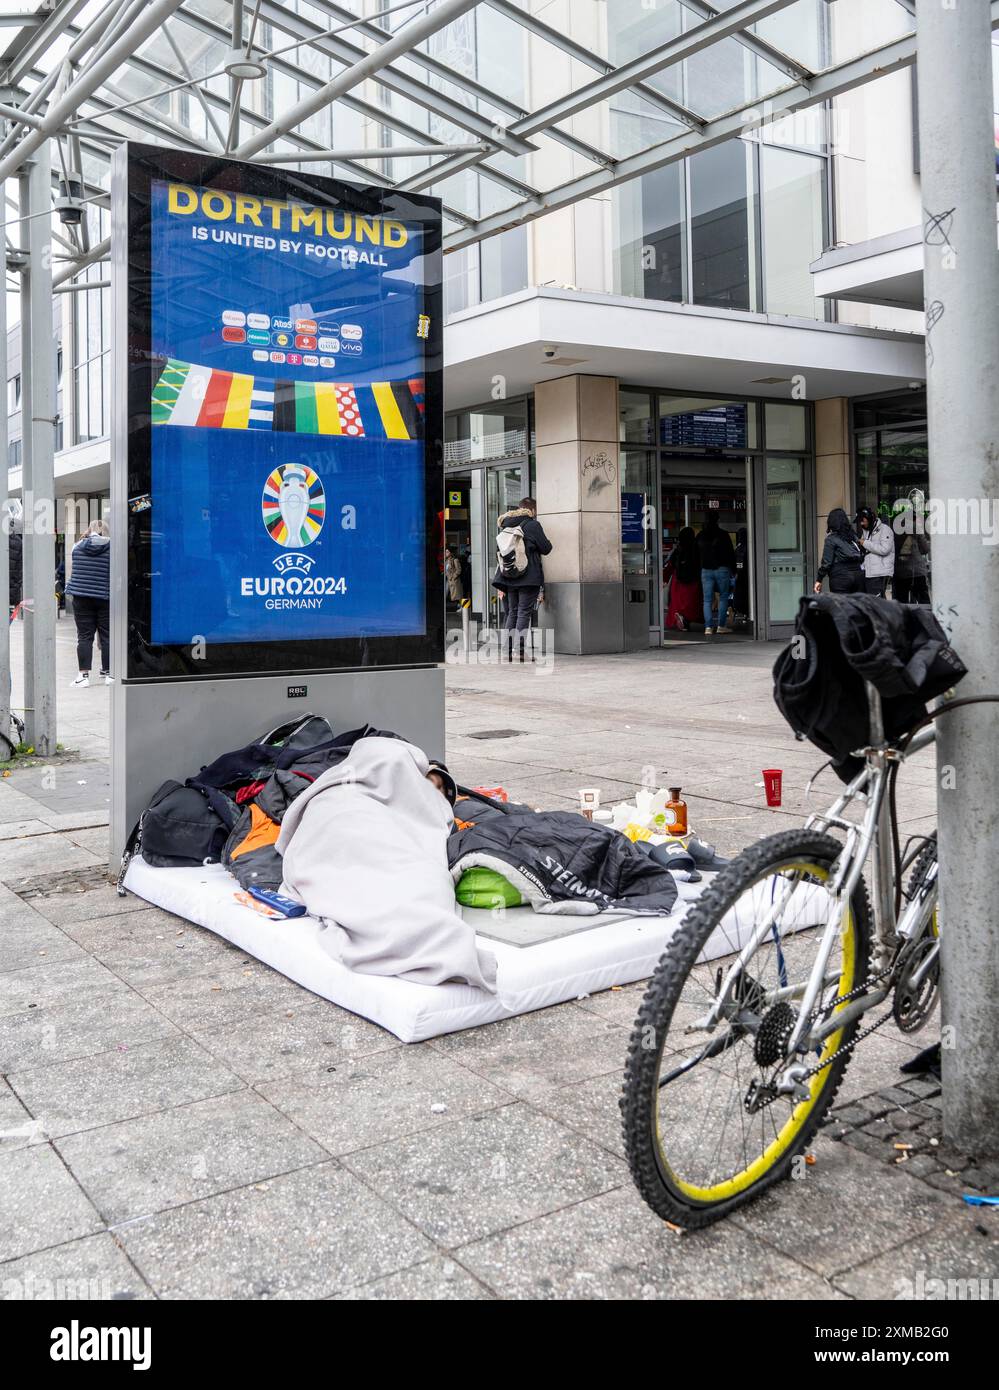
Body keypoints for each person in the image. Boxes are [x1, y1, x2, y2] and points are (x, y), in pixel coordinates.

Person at [491, 496, 552, 662]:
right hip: (528, 576)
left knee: (513, 612)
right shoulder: (533, 525)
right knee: (524, 613)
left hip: (509, 577)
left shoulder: (506, 526)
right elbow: (546, 548)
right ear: (531, 510)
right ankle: (519, 651)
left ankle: (507, 651)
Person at [66, 519, 111, 686]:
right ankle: (109, 673)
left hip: (81, 597)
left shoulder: (77, 546)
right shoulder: (114, 548)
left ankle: (83, 676)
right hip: (105, 596)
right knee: (107, 636)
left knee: (84, 637)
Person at [696, 512, 736, 635]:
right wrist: (733, 570)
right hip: (722, 569)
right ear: (717, 520)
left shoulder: (701, 535)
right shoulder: (723, 535)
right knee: (723, 597)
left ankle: (708, 627)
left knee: (707, 600)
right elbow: (730, 554)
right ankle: (721, 626)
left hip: (705, 570)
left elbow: (696, 554)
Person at [814, 507, 864, 595]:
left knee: (841, 606)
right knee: (856, 606)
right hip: (858, 575)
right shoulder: (853, 536)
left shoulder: (831, 539)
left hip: (840, 577)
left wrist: (819, 579)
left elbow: (826, 563)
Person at [664, 527, 702, 631]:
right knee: (691, 604)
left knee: (677, 603)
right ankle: (685, 621)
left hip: (678, 581)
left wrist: (665, 578)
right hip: (693, 581)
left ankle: (681, 619)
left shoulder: (678, 549)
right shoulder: (695, 547)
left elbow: (670, 565)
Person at [894, 508, 931, 605]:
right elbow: (925, 549)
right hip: (916, 572)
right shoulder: (917, 529)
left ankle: (904, 620)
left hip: (900, 572)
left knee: (902, 603)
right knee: (924, 603)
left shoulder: (896, 530)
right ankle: (925, 619)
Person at [856, 506, 894, 597]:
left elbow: (885, 549)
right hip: (868, 572)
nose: (861, 523)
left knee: (877, 602)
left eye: (862, 520)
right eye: (859, 521)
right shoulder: (866, 530)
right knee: (872, 602)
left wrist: (865, 543)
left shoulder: (885, 529)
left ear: (869, 518)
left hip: (879, 573)